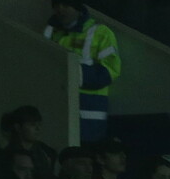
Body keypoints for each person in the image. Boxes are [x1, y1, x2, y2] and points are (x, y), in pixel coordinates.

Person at [44, 0, 119, 143]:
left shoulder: (100, 33)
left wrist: (75, 73)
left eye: (66, 5)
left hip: (90, 113)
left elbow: (110, 71)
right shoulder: (50, 32)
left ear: (78, 7)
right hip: (57, 109)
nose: (60, 9)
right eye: (56, 5)